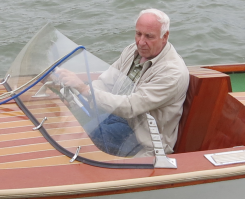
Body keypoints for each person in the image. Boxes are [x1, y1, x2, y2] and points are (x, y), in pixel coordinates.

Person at [57, 9, 189, 157]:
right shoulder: (132, 50)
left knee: (77, 142)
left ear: (165, 37)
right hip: (116, 117)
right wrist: (78, 96)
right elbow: (106, 83)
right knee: (69, 129)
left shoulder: (172, 73)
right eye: (138, 34)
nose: (141, 42)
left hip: (142, 136)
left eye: (149, 36)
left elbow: (131, 106)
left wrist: (85, 90)